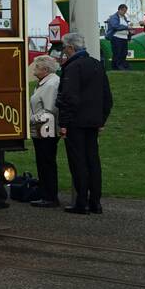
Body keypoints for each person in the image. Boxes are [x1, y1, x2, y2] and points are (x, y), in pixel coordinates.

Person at [55, 32, 112, 215]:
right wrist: (101, 119)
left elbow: (68, 98)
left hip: (76, 122)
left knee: (78, 162)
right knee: (93, 161)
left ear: (71, 48)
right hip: (93, 121)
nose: (64, 52)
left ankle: (82, 202)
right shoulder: (96, 64)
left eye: (64, 48)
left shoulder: (72, 68)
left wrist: (63, 123)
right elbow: (107, 97)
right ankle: (95, 202)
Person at [28, 54, 62, 208]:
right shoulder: (45, 83)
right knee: (43, 162)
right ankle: (46, 194)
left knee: (46, 162)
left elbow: (49, 109)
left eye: (37, 67)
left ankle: (49, 196)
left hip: (47, 129)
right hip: (42, 128)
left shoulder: (51, 85)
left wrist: (31, 119)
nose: (34, 69)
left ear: (46, 69)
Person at [104, 4, 130, 70]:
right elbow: (115, 26)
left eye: (125, 11)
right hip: (116, 38)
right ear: (119, 10)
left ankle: (122, 66)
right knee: (117, 53)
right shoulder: (113, 17)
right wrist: (126, 27)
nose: (125, 12)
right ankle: (116, 67)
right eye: (124, 11)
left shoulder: (124, 18)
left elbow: (124, 27)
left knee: (124, 53)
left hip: (124, 38)